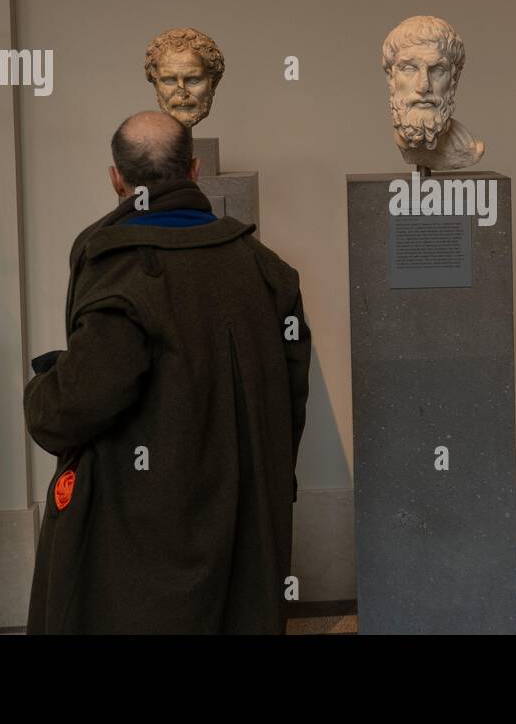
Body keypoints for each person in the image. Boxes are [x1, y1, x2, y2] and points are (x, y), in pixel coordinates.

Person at [24, 110, 309, 633]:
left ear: (116, 179)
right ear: (194, 169)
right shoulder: (267, 268)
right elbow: (289, 401)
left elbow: (75, 405)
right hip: (244, 514)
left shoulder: (120, 270)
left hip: (140, 531)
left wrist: (42, 389)